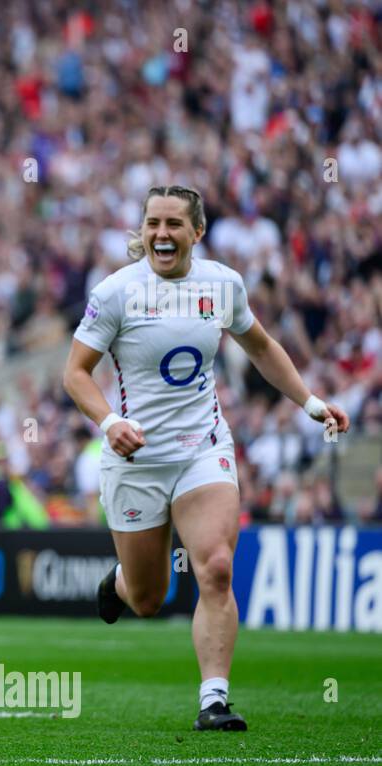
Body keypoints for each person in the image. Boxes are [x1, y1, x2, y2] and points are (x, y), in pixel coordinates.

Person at [63, 185, 349, 731]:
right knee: (148, 599)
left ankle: (213, 700)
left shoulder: (223, 284)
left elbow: (261, 346)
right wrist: (110, 423)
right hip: (137, 460)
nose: (161, 235)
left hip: (203, 449)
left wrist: (310, 403)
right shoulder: (116, 292)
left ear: (198, 232)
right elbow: (75, 372)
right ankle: (120, 582)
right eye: (152, 224)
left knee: (216, 566)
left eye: (173, 224)